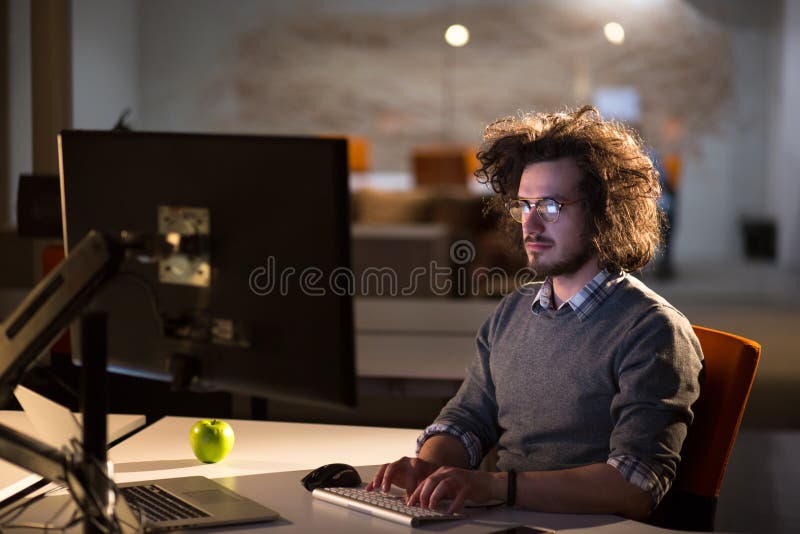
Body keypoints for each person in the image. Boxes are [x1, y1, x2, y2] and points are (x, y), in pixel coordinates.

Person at [366, 106, 704, 520]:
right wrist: (430, 467)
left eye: (551, 206)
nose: (530, 225)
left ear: (604, 212)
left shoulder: (653, 331)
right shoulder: (512, 311)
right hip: (501, 517)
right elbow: (467, 418)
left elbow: (633, 486)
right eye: (524, 205)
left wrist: (493, 487)